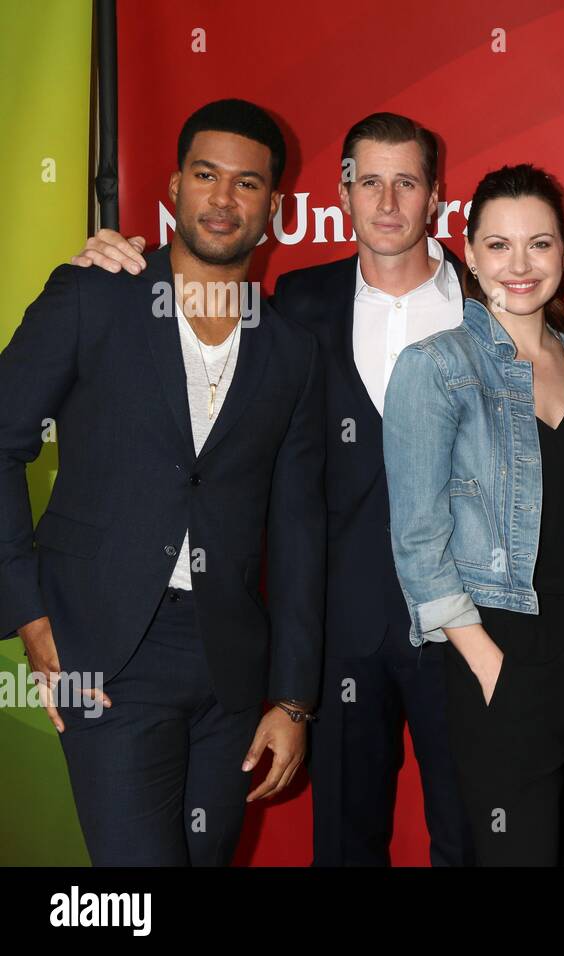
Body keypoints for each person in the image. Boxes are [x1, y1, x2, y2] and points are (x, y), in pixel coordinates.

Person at [69, 113, 474, 867]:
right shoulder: (295, 303)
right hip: (336, 631)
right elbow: (184, 311)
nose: (387, 202)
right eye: (369, 182)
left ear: (435, 198)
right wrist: (113, 257)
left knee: (471, 834)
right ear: (343, 193)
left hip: (466, 623)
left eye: (407, 183)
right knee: (345, 844)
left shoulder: (493, 299)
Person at [0, 99, 325, 865]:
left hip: (230, 670)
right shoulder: (93, 297)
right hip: (106, 650)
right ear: (175, 186)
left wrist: (293, 700)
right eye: (207, 175)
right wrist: (34, 624)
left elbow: (300, 531)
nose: (223, 199)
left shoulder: (292, 353)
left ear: (274, 207)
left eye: (248, 184)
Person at [383, 164, 564, 866]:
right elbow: (416, 536)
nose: (520, 265)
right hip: (505, 649)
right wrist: (488, 662)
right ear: (467, 253)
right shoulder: (434, 366)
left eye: (540, 244)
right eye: (498, 245)